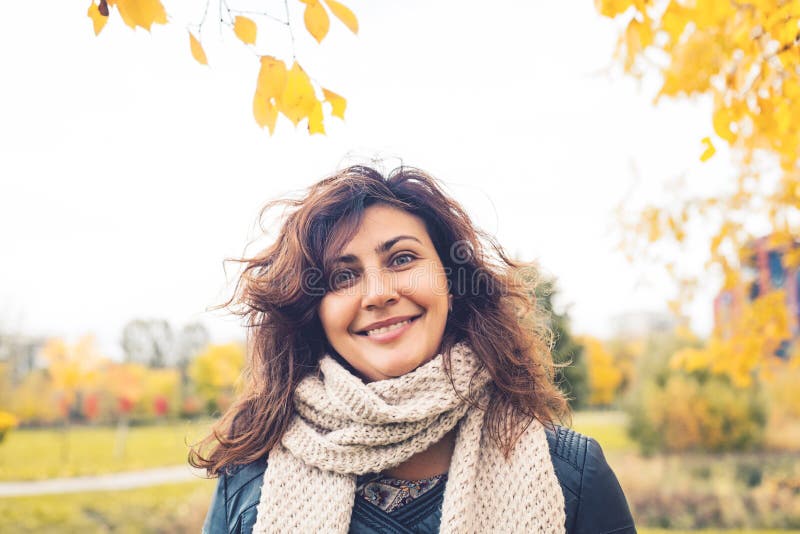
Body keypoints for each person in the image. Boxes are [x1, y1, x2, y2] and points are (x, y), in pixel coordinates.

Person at [192, 165, 636, 534]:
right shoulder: (249, 485)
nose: (378, 294)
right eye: (342, 277)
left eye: (402, 259)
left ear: (451, 281)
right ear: (315, 312)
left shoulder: (571, 476)